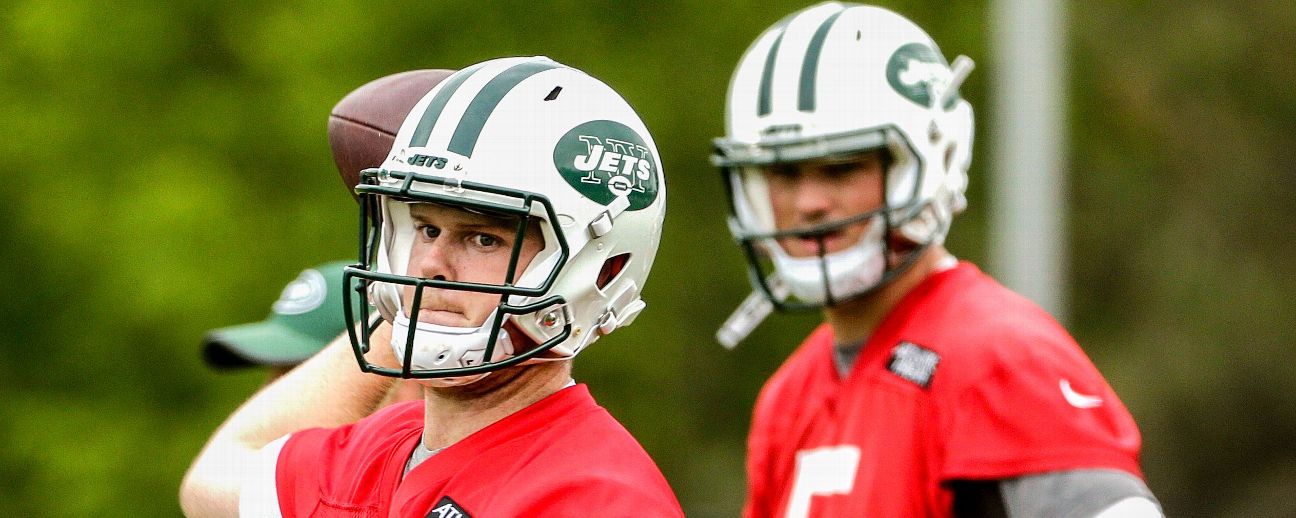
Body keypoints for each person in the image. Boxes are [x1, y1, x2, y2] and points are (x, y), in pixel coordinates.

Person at [179, 56, 683, 517]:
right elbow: (210, 484)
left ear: (600, 272)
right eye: (424, 228)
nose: (429, 265)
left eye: (483, 238)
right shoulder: (377, 452)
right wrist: (406, 309)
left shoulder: (596, 498)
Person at [711, 3, 1162, 517]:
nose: (809, 202)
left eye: (840, 168)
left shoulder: (1001, 358)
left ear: (931, 160)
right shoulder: (789, 396)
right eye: (784, 174)